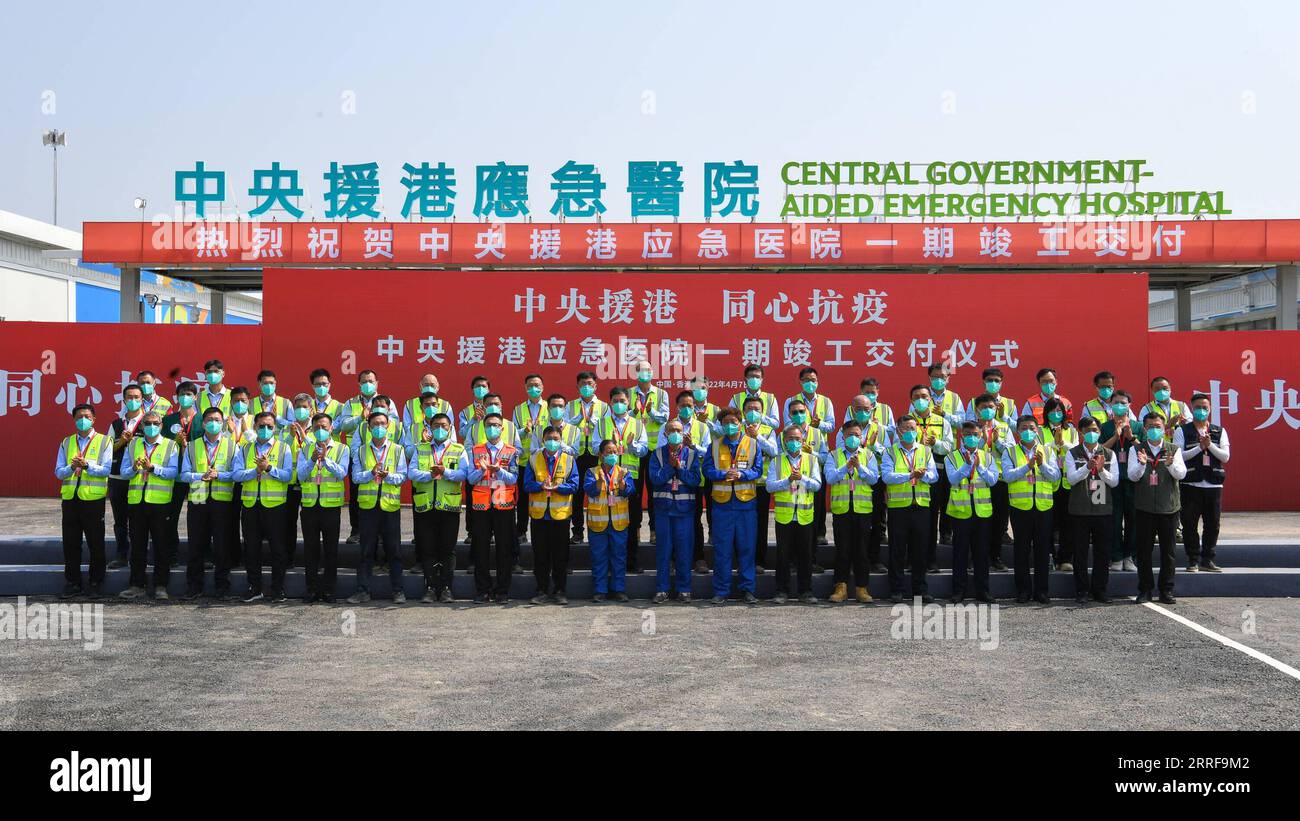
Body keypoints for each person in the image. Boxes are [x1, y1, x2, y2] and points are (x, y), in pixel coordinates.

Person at [702, 408, 764, 604]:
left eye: (733, 421)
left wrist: (742, 475)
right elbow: (707, 470)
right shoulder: (715, 445)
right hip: (722, 505)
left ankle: (748, 589)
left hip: (746, 504)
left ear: (740, 422)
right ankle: (721, 591)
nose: (730, 425)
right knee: (722, 550)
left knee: (747, 548)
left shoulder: (753, 444)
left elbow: (758, 470)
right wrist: (723, 474)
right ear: (721, 425)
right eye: (726, 422)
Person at [405, 405, 465, 603]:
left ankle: (447, 588)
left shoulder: (458, 449)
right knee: (428, 548)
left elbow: (464, 474)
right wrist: (429, 474)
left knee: (448, 549)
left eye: (444, 425)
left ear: (450, 428)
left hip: (449, 507)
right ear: (430, 428)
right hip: (425, 506)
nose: (440, 428)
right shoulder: (421, 448)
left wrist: (445, 472)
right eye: (436, 425)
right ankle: (430, 587)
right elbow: (411, 473)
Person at [233, 412, 295, 603]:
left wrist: (269, 468)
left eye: (269, 426)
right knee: (251, 548)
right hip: (251, 504)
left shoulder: (283, 448)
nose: (265, 429)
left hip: (275, 506)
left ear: (274, 428)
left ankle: (278, 589)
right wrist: (255, 471)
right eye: (261, 426)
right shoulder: (244, 449)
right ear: (255, 427)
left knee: (278, 548)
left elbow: (288, 476)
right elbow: (236, 475)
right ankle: (254, 587)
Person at [347, 409, 407, 604]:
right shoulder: (361, 451)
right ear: (369, 427)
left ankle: (398, 590)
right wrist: (370, 473)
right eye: (375, 425)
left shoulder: (397, 450)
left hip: (389, 506)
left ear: (388, 426)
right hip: (368, 507)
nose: (379, 427)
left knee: (394, 550)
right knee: (366, 550)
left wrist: (388, 476)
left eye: (382, 424)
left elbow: (403, 477)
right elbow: (355, 477)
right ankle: (362, 590)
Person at [118, 411, 179, 600]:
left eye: (156, 423)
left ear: (161, 426)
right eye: (148, 423)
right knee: (137, 545)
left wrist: (153, 468)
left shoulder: (171, 445)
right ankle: (137, 585)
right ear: (142, 426)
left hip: (160, 503)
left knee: (161, 545)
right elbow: (124, 472)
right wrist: (134, 468)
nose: (152, 426)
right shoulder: (134, 444)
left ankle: (161, 586)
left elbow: (173, 473)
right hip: (137, 501)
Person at [1128, 413, 1187, 605]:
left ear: (1164, 428)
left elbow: (1181, 474)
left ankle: (1166, 590)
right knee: (1143, 551)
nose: (1154, 429)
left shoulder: (1173, 449)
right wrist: (1142, 465)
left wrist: (1170, 466)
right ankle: (1145, 589)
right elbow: (1133, 476)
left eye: (1158, 426)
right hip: (1144, 507)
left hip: (1168, 508)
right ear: (1144, 429)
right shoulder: (1136, 449)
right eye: (1151, 426)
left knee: (1168, 552)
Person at [178, 407, 236, 600]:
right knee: (196, 545)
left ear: (223, 423)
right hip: (198, 498)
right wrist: (199, 476)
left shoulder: (231, 445)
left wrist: (219, 475)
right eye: (209, 420)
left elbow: (236, 474)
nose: (213, 423)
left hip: (222, 501)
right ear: (203, 424)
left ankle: (222, 587)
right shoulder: (192, 446)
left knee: (222, 545)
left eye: (217, 420)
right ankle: (194, 586)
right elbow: (184, 474)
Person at [55, 404, 112, 599]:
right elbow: (58, 471)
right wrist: (71, 467)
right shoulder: (66, 442)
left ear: (94, 419)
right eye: (79, 417)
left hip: (92, 499)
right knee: (71, 543)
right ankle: (73, 583)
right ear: (74, 420)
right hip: (70, 499)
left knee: (96, 543)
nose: (83, 420)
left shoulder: (105, 441)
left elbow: (106, 469)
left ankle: (96, 583)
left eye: (87, 416)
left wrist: (87, 465)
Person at [1002, 415, 1060, 605]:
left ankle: (1042, 591)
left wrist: (1042, 465)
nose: (1028, 431)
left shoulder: (1048, 450)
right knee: (1021, 550)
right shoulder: (1009, 452)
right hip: (1020, 508)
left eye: (1032, 428)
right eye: (1024, 428)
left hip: (1044, 507)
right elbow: (1008, 476)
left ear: (1037, 430)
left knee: (1043, 551)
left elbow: (1055, 476)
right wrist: (1027, 466)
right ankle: (1023, 591)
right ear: (1017, 431)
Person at [881, 415, 938, 604]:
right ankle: (896, 589)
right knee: (897, 550)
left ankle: (920, 590)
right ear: (898, 431)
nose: (910, 432)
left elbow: (934, 476)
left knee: (920, 551)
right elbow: (887, 477)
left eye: (913, 428)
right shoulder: (890, 452)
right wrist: (910, 475)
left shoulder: (925, 451)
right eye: (906, 428)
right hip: (899, 508)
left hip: (921, 506)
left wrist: (923, 476)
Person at [1063, 416, 1118, 603]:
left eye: (1095, 430)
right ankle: (1081, 591)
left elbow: (1114, 481)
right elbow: (1071, 479)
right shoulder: (1072, 453)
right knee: (1080, 552)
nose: (1091, 434)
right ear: (1080, 433)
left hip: (1103, 510)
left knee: (1102, 553)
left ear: (1100, 432)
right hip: (1080, 509)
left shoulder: (1109, 454)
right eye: (1087, 431)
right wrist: (1087, 467)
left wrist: (1101, 470)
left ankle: (1100, 590)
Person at [465, 412, 518, 603]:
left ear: (502, 429)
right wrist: (483, 470)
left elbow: (514, 478)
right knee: (480, 549)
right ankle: (483, 590)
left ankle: (502, 590)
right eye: (488, 425)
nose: (492, 428)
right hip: (481, 506)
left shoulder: (512, 451)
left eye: (495, 425)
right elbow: (469, 479)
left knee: (504, 549)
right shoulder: (476, 450)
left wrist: (499, 471)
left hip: (503, 504)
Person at [825, 419, 880, 604]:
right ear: (843, 436)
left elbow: (873, 479)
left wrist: (859, 467)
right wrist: (846, 466)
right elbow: (830, 478)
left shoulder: (869, 456)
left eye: (857, 435)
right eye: (850, 435)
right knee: (842, 550)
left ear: (862, 436)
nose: (854, 438)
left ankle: (862, 588)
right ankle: (840, 587)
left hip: (862, 509)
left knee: (861, 551)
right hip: (842, 509)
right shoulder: (833, 455)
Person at [524, 425, 579, 604]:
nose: (552, 442)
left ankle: (560, 591)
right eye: (549, 438)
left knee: (560, 556)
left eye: (556, 439)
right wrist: (540, 486)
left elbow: (574, 485)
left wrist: (558, 487)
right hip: (539, 515)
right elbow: (526, 484)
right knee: (540, 555)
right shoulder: (533, 459)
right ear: (543, 440)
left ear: (561, 440)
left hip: (560, 515)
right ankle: (541, 590)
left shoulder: (569, 460)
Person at [768, 423, 823, 604]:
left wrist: (802, 478)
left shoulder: (811, 460)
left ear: (803, 440)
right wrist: (787, 480)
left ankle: (805, 591)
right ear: (784, 441)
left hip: (805, 515)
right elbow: (769, 486)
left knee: (805, 555)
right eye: (790, 439)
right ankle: (781, 591)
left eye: (797, 439)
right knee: (783, 555)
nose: (794, 442)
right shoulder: (776, 461)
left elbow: (817, 485)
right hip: (784, 516)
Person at [595, 387, 648, 573]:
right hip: (606, 478)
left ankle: (631, 562)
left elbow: (644, 450)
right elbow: (595, 447)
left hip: (629, 478)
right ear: (610, 402)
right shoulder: (601, 424)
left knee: (631, 521)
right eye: (615, 400)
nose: (619, 404)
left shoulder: (638, 424)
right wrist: (609, 447)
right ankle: (609, 564)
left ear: (629, 402)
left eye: (623, 401)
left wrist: (633, 445)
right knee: (608, 520)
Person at [298, 411, 349, 603]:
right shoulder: (305, 449)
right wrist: (312, 460)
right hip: (310, 505)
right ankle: (311, 589)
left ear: (331, 428)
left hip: (331, 506)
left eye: (324, 427)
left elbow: (342, 473)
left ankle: (329, 590)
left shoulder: (342, 449)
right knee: (310, 550)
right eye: (317, 428)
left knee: (331, 550)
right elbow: (300, 476)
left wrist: (325, 459)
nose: (321, 431)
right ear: (311, 429)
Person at [649, 418, 702, 603]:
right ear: (665, 434)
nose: (675, 433)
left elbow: (696, 480)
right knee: (663, 551)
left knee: (684, 551)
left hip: (684, 511)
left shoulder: (692, 455)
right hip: (663, 510)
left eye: (679, 430)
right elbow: (655, 479)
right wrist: (670, 469)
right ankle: (662, 590)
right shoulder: (657, 455)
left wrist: (679, 469)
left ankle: (684, 589)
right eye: (671, 430)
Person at [945, 421, 998, 605]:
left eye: (975, 434)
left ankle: (983, 591)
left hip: (982, 511)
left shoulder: (988, 457)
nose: (971, 437)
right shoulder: (951, 457)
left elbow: (993, 481)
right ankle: (958, 591)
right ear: (961, 436)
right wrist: (967, 466)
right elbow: (953, 479)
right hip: (961, 512)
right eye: (967, 434)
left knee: (981, 554)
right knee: (960, 554)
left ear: (981, 436)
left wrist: (979, 466)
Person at [1176, 393, 1229, 573]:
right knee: (1189, 523)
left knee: (1212, 524)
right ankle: (1193, 559)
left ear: (1210, 409)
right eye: (1198, 407)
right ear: (1192, 408)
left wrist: (1210, 446)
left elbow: (1225, 456)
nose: (1201, 411)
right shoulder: (1182, 430)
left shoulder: (1218, 431)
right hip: (1191, 483)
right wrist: (1199, 447)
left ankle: (1208, 559)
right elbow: (1179, 455)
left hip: (1213, 484)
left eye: (1204, 408)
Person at [847, 381, 893, 573]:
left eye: (866, 409)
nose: (862, 412)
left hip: (875, 478)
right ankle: (851, 561)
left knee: (876, 520)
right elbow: (844, 449)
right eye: (858, 409)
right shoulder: (848, 428)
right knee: (854, 523)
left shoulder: (880, 429)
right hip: (854, 479)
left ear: (872, 408)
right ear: (852, 409)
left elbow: (889, 452)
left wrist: (874, 447)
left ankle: (874, 559)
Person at [909, 384, 953, 571]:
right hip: (912, 475)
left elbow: (949, 447)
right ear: (911, 401)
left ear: (930, 399)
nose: (921, 399)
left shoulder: (942, 421)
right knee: (914, 521)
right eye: (916, 396)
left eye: (924, 396)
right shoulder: (907, 421)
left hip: (936, 474)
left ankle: (931, 559)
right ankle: (913, 561)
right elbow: (897, 444)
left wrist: (936, 443)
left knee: (932, 518)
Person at [628, 361, 669, 548]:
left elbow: (665, 418)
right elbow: (622, 416)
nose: (644, 373)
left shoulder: (661, 394)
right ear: (635, 373)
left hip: (654, 450)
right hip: (635, 450)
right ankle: (635, 530)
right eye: (640, 370)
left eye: (647, 369)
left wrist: (651, 411)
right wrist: (635, 410)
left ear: (652, 372)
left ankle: (654, 530)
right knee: (634, 493)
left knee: (654, 492)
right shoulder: (628, 393)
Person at [971, 392, 1013, 572]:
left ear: (996, 409)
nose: (987, 411)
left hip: (1000, 479)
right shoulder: (972, 429)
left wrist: (998, 443)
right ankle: (977, 559)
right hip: (978, 480)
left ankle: (995, 557)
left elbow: (1012, 453)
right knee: (979, 522)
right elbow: (968, 450)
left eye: (991, 407)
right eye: (983, 408)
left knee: (999, 522)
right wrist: (981, 440)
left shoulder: (1004, 428)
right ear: (976, 410)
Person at [784, 397, 829, 564]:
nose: (798, 414)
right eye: (794, 412)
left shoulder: (817, 433)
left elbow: (825, 458)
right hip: (791, 484)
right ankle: (793, 561)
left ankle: (811, 561)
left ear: (807, 413)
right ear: (789, 414)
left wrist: (812, 454)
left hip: (811, 483)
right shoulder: (786, 434)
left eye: (802, 412)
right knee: (794, 523)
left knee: (812, 523)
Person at [338, 369, 381, 544]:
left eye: (371, 381)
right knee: (356, 494)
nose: (368, 384)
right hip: (356, 455)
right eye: (364, 381)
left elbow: (394, 422)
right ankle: (356, 531)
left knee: (379, 494)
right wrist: (359, 418)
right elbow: (343, 425)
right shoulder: (351, 403)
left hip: (380, 454)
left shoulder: (385, 402)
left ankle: (379, 533)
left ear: (377, 383)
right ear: (359, 384)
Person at [107, 383, 147, 569]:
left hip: (141, 479)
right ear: (124, 400)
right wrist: (121, 442)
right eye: (129, 397)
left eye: (136, 397)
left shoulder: (151, 422)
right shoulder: (116, 424)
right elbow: (107, 452)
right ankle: (121, 555)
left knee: (139, 520)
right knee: (120, 520)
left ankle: (140, 556)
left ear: (142, 399)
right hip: (118, 479)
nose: (133, 401)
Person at [1099, 390, 1139, 572]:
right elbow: (1098, 450)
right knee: (1114, 520)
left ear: (1129, 405)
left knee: (1132, 519)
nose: (1119, 405)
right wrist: (1115, 436)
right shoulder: (1105, 427)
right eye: (1116, 402)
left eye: (1123, 402)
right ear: (1110, 405)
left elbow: (1145, 450)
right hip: (1112, 480)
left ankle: (1129, 556)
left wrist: (1131, 437)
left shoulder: (1138, 427)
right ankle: (1115, 557)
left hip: (1132, 480)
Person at [160, 381, 199, 566]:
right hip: (174, 477)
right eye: (182, 394)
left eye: (189, 394)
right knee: (171, 516)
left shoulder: (203, 421)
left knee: (200, 516)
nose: (185, 397)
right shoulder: (167, 421)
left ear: (195, 397)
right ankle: (171, 554)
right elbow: (161, 447)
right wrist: (175, 442)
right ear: (177, 397)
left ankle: (201, 555)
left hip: (197, 478)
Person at [737, 396, 778, 574]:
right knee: (742, 524)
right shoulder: (736, 428)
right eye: (750, 409)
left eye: (757, 409)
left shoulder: (768, 431)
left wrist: (757, 436)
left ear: (762, 412)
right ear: (744, 411)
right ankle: (741, 561)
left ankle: (759, 561)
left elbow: (774, 451)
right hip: (741, 483)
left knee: (761, 524)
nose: (753, 412)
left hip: (760, 485)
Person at [566, 371, 607, 544]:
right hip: (576, 455)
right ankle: (577, 532)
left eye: (590, 383)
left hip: (596, 456)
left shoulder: (604, 407)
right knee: (576, 495)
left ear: (596, 385)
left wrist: (595, 422)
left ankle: (596, 530)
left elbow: (608, 429)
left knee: (596, 493)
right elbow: (565, 427)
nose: (586, 387)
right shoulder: (571, 405)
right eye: (583, 384)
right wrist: (577, 419)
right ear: (577, 386)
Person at [1040, 396, 1079, 572]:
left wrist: (1063, 443)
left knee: (1068, 524)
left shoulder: (1071, 430)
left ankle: (1065, 558)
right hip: (1048, 482)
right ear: (1046, 413)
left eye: (1059, 411)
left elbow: (1077, 450)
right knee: (1047, 523)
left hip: (1068, 483)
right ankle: (1049, 556)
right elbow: (1037, 449)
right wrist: (1053, 444)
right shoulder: (1040, 431)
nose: (1056, 414)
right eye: (1052, 411)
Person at [513, 373, 549, 543]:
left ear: (542, 387)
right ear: (525, 388)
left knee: (543, 495)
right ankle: (521, 531)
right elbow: (513, 435)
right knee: (523, 499)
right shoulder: (518, 409)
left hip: (543, 461)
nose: (534, 388)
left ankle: (541, 530)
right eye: (530, 385)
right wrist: (524, 431)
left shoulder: (550, 407)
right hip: (523, 460)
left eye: (537, 385)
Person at [280, 393, 315, 564]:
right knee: (288, 523)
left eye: (304, 407)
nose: (301, 410)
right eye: (297, 407)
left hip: (311, 483)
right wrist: (291, 436)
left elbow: (318, 449)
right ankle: (288, 557)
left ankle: (311, 560)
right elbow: (278, 451)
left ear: (311, 410)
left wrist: (305, 436)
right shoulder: (286, 429)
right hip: (290, 483)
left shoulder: (318, 428)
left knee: (310, 524)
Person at [730, 364, 780, 428]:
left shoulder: (770, 398)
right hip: (743, 436)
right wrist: (746, 421)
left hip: (765, 437)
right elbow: (731, 422)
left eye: (757, 377)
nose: (754, 379)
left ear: (761, 380)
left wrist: (760, 418)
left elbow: (776, 424)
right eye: (751, 377)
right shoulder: (736, 398)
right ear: (745, 380)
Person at [308, 368, 345, 437]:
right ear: (313, 386)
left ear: (329, 385)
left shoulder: (340, 406)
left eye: (324, 384)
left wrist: (322, 418)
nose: (321, 387)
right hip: (311, 446)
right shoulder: (307, 405)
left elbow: (337, 429)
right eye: (318, 384)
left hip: (332, 446)